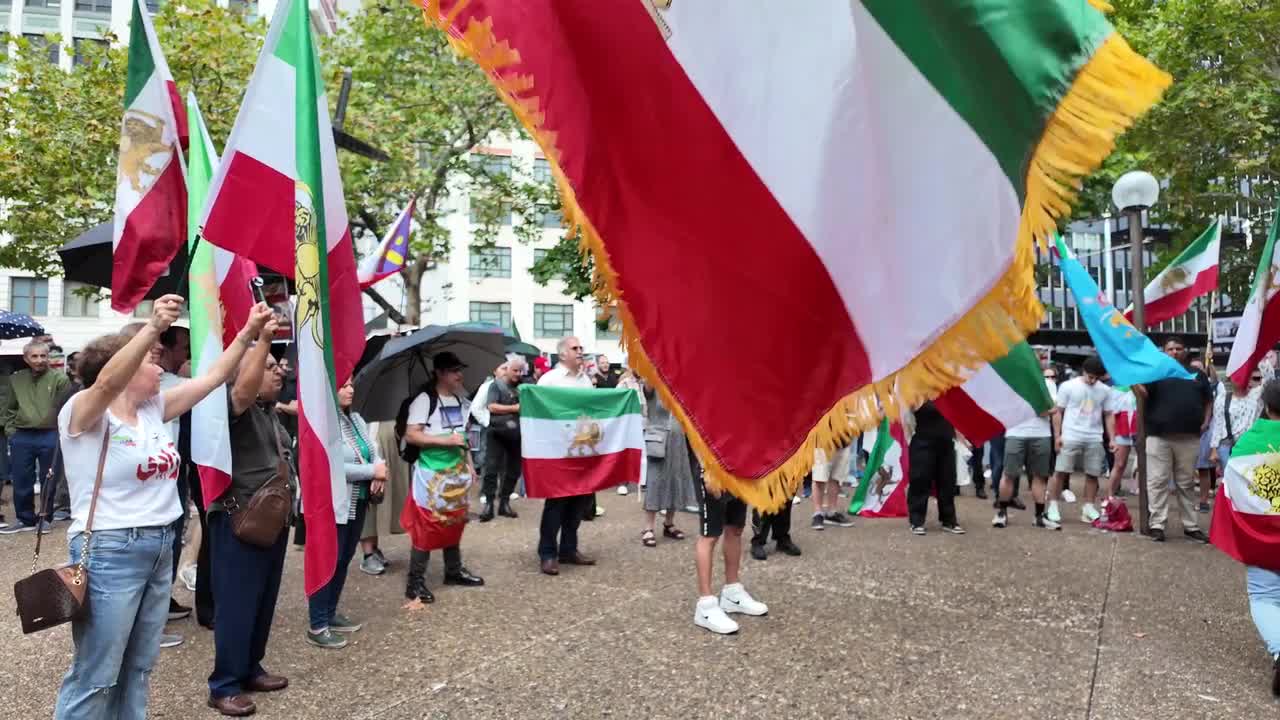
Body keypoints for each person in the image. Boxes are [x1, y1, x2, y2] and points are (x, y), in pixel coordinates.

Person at [54, 295, 271, 719]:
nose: (162, 368)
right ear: (126, 368)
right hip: (110, 550)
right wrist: (152, 327)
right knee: (97, 673)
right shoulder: (85, 413)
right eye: (153, 361)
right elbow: (104, 385)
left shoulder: (154, 410)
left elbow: (211, 380)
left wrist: (248, 333)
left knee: (138, 667)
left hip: (158, 546)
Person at [207, 314, 293, 717]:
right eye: (270, 367)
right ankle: (223, 684)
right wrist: (261, 340)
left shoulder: (271, 413)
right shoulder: (234, 407)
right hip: (238, 521)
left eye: (279, 366)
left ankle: (250, 667)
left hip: (270, 522)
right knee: (237, 604)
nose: (279, 372)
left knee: (262, 600)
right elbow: (240, 394)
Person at [401, 352, 485, 605]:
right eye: (453, 370)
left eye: (460, 369)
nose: (459, 375)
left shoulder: (462, 399)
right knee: (428, 524)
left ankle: (453, 570)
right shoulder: (424, 401)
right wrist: (443, 440)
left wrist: (469, 464)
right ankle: (414, 583)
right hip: (431, 475)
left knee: (455, 521)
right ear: (439, 373)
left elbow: (463, 436)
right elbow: (412, 435)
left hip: (456, 474)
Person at [307, 381, 384, 649]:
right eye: (343, 385)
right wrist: (372, 472)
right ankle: (317, 623)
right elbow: (333, 464)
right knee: (328, 559)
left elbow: (375, 450)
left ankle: (330, 613)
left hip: (359, 500)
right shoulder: (325, 423)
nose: (350, 389)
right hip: (335, 502)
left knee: (344, 558)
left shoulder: (356, 418)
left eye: (352, 384)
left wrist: (379, 467)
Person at [1135, 337, 1213, 543]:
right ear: (1164, 351)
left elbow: (1208, 401)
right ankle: (1157, 524)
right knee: (1157, 481)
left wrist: (1206, 421)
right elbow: (1142, 393)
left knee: (1186, 483)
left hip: (1189, 437)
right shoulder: (1155, 372)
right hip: (1159, 436)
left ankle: (1191, 526)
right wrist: (1132, 378)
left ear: (1185, 351)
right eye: (1170, 349)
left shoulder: (1197, 374)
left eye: (1179, 348)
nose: (1175, 352)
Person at [690, 436, 769, 634]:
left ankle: (732, 592)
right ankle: (705, 606)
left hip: (737, 461)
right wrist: (705, 467)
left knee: (735, 528)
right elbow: (691, 418)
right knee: (710, 534)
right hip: (710, 463)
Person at [536, 337, 598, 575]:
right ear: (562, 354)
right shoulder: (548, 380)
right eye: (575, 348)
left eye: (581, 348)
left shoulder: (585, 381)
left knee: (579, 501)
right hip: (557, 451)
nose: (580, 351)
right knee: (557, 503)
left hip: (581, 450)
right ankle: (548, 553)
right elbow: (537, 412)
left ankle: (569, 550)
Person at [0, 339, 70, 534]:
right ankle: (24, 519)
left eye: (43, 356)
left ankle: (44, 518)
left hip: (50, 434)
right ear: (26, 358)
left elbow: (65, 409)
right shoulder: (16, 379)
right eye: (35, 356)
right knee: (21, 479)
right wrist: (11, 431)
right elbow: (9, 408)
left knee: (49, 478)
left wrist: (60, 432)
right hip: (22, 435)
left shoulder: (59, 379)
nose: (39, 360)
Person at [1049, 355, 1115, 526]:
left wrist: (1112, 438)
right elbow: (1058, 411)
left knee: (1093, 474)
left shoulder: (1105, 390)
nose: (1092, 380)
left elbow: (1109, 415)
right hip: (1070, 434)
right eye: (1090, 376)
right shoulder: (1068, 386)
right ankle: (1053, 505)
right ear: (1083, 371)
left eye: (1096, 378)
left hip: (1094, 436)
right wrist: (1057, 436)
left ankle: (1088, 506)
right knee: (1060, 471)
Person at [994, 372, 1058, 529]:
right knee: (1009, 474)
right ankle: (1001, 512)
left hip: (1041, 434)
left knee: (1040, 477)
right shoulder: (1011, 383)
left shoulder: (1047, 384)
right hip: (1016, 433)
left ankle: (1039, 516)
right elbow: (1002, 407)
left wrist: (1057, 436)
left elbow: (1055, 409)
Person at [640, 388, 696, 548]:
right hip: (659, 440)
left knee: (676, 479)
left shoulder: (679, 387)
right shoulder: (653, 385)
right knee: (655, 482)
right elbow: (648, 378)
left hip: (679, 440)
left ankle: (669, 524)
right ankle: (648, 528)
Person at [905, 400, 964, 536]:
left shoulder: (949, 393)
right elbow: (907, 417)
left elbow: (956, 416)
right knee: (920, 480)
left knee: (947, 481)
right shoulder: (917, 392)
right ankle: (917, 521)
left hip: (946, 442)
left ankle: (949, 520)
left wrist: (960, 437)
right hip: (923, 441)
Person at [358, 421, 409, 576]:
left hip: (394, 443)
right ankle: (368, 553)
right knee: (372, 498)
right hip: (374, 444)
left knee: (382, 500)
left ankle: (374, 548)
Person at [480, 355, 525, 521]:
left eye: (521, 370)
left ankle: (504, 503)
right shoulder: (496, 385)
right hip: (496, 433)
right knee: (491, 469)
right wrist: (514, 408)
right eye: (515, 370)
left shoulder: (523, 387)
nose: (518, 373)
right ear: (507, 369)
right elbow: (491, 406)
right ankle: (489, 504)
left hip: (516, 435)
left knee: (513, 471)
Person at [1209, 371, 1264, 477]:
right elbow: (1218, 425)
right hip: (1226, 446)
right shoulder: (1222, 398)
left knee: (1247, 481)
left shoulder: (1255, 397)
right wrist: (1214, 450)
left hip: (1248, 446)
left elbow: (1267, 378)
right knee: (1229, 481)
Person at [809, 442, 856, 530]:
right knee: (819, 477)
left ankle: (831, 512)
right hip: (823, 439)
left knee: (837, 476)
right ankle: (818, 513)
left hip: (843, 438)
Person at [615, 367, 645, 496]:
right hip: (628, 423)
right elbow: (615, 400)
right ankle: (622, 482)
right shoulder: (624, 383)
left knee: (645, 452)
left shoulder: (651, 382)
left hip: (646, 422)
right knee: (626, 451)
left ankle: (644, 480)